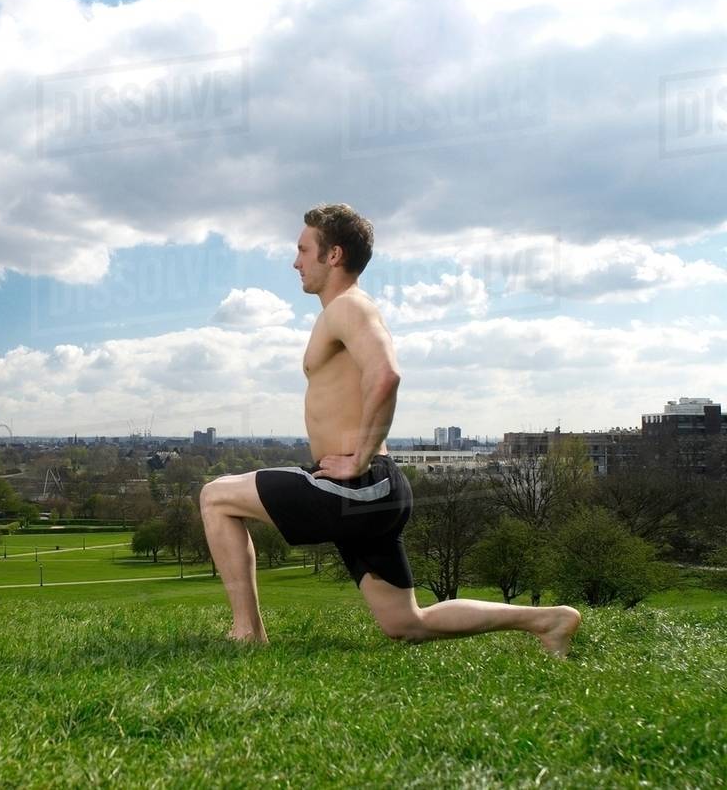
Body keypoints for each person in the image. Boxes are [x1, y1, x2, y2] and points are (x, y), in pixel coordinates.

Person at [198, 203, 582, 657]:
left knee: (216, 496)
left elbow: (386, 375)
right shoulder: (342, 311)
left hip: (360, 484)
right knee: (406, 623)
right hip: (368, 490)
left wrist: (358, 459)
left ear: (333, 255)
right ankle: (547, 620)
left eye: (302, 250)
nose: (294, 262)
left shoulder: (349, 307)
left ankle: (247, 632)